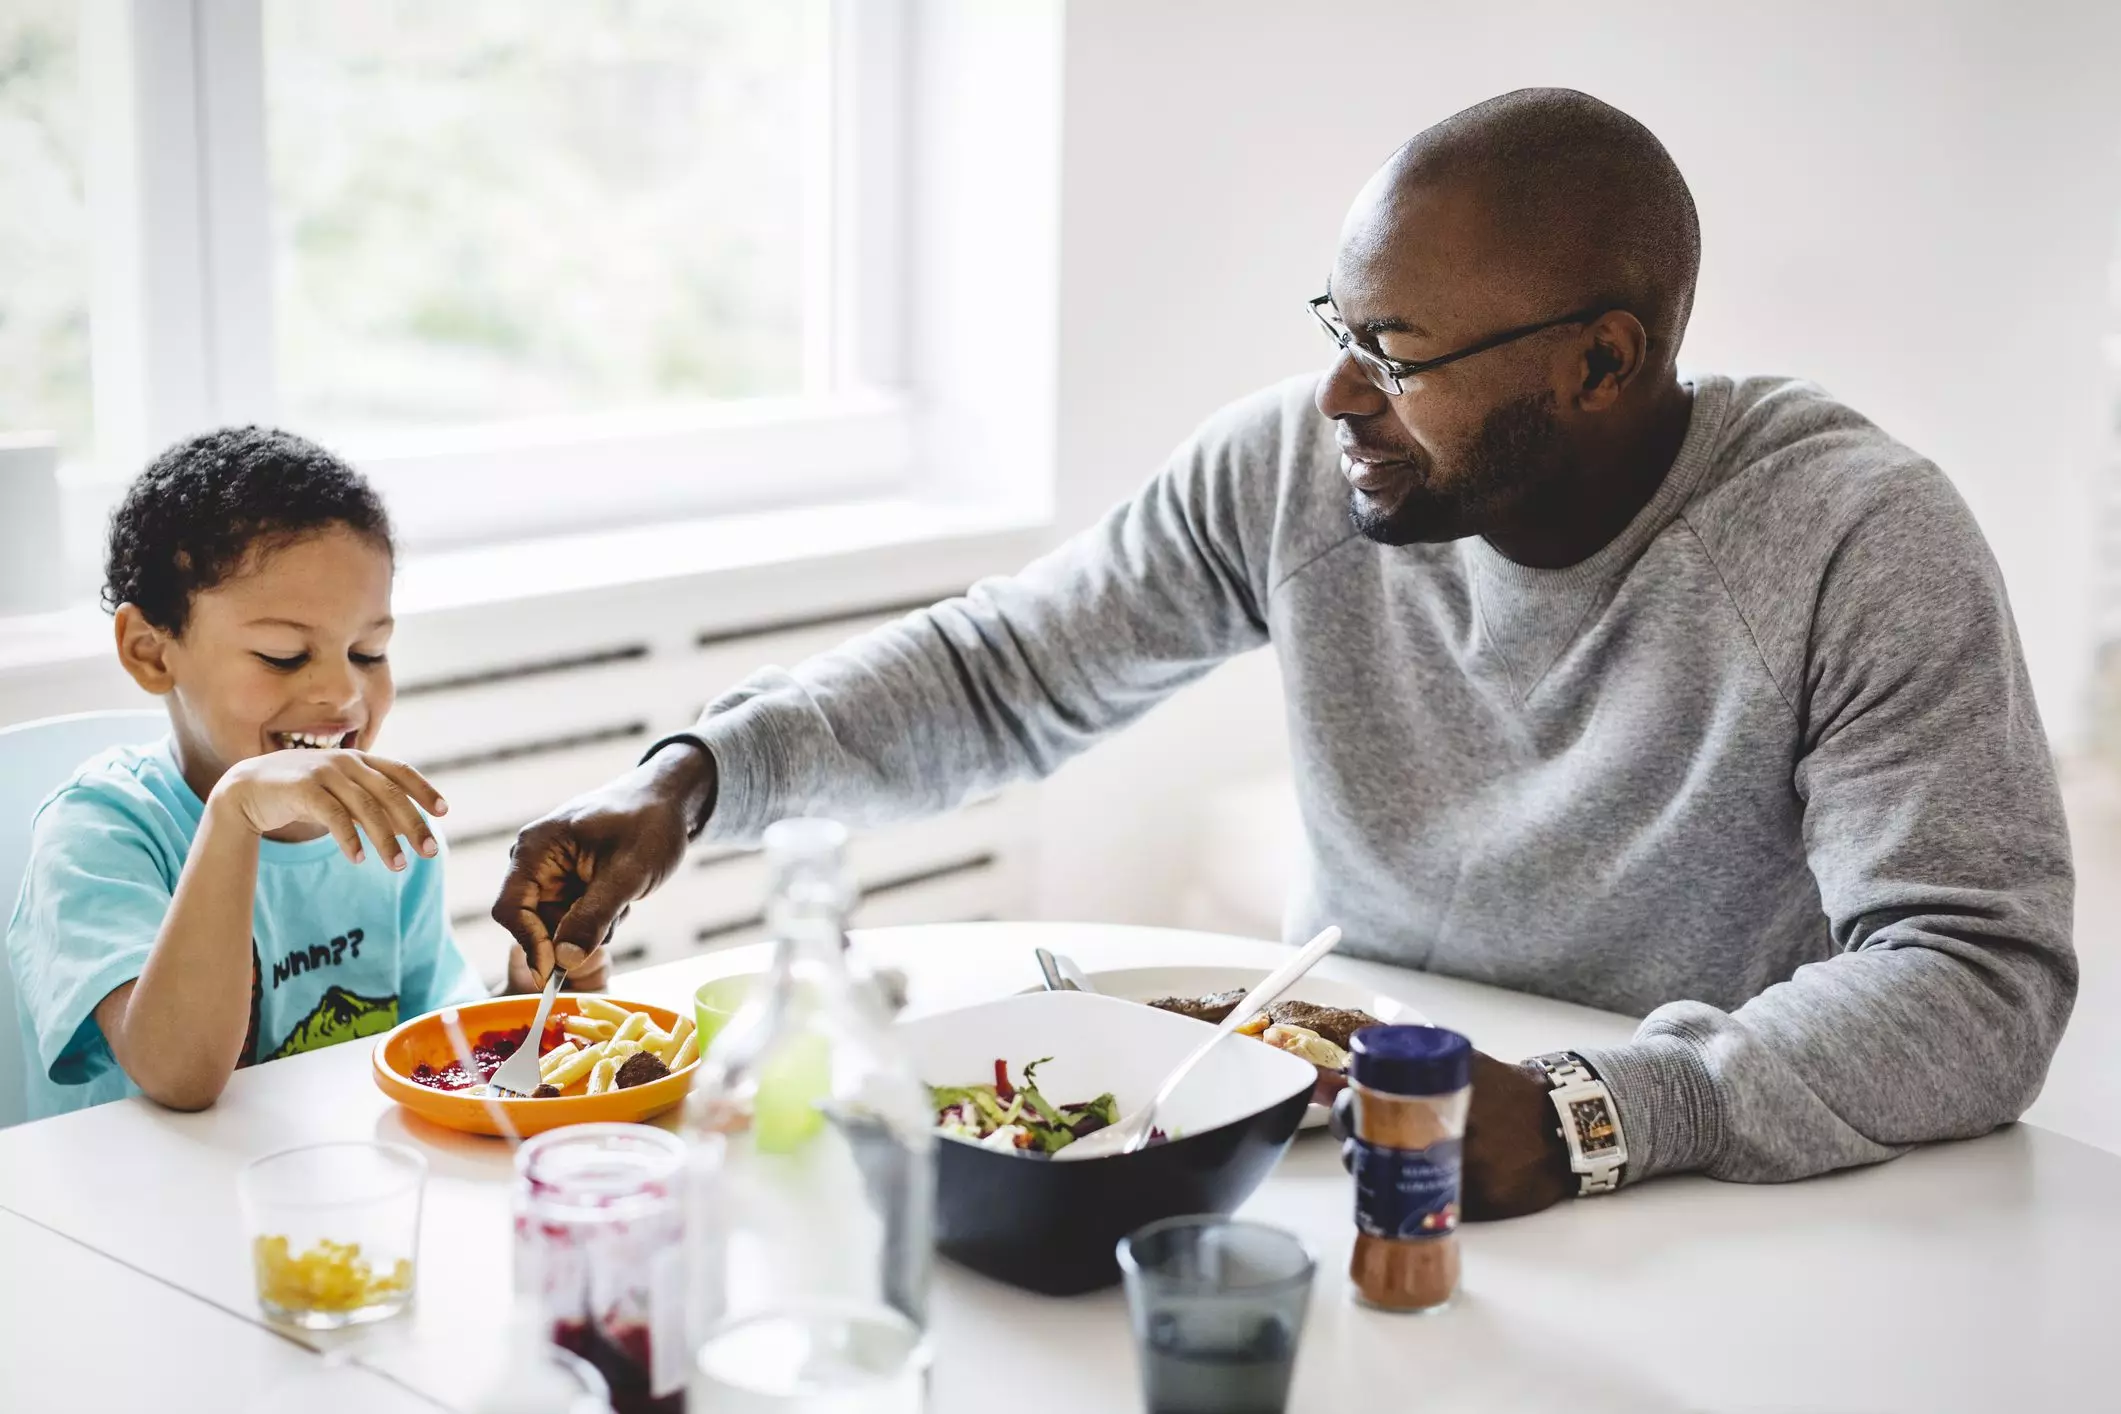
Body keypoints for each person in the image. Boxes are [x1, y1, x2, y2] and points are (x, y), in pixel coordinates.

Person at [493, 90, 2074, 1216]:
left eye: (1395, 355)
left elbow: (1975, 977)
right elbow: (1004, 668)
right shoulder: (1294, 473)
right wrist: (696, 779)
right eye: (1338, 327)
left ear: (1604, 361)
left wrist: (1604, 1113)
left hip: (1699, 1187)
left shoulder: (1855, 538)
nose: (1336, 400)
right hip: (1345, 1145)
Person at [5, 428, 603, 1119]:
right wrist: (235, 813)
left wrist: (539, 998)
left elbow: (433, 1060)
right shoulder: (98, 835)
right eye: (284, 655)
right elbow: (179, 1076)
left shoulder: (381, 834)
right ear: (151, 652)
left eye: (369, 652)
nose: (344, 695)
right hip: (120, 1210)